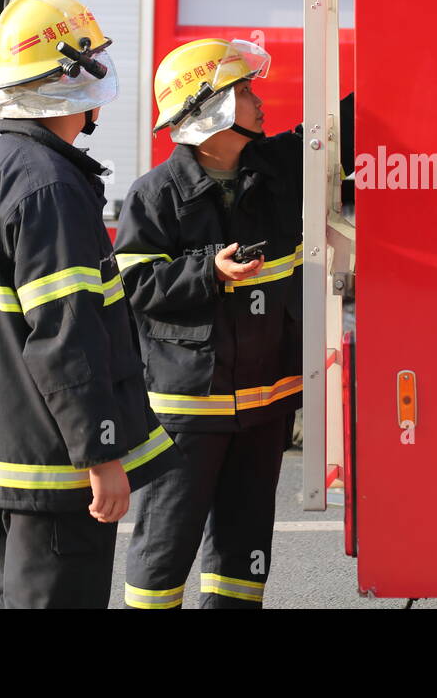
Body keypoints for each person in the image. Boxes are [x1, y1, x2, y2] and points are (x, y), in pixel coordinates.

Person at [0, 0, 181, 608]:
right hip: (54, 462)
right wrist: (101, 453)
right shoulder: (50, 187)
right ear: (73, 81)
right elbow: (65, 337)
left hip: (3, 448)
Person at [117, 37, 307, 609]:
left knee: (245, 550)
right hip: (187, 411)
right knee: (164, 546)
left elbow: (340, 124)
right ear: (213, 111)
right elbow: (136, 286)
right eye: (244, 91)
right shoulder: (154, 197)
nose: (259, 102)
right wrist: (208, 272)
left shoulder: (277, 169)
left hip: (266, 403)